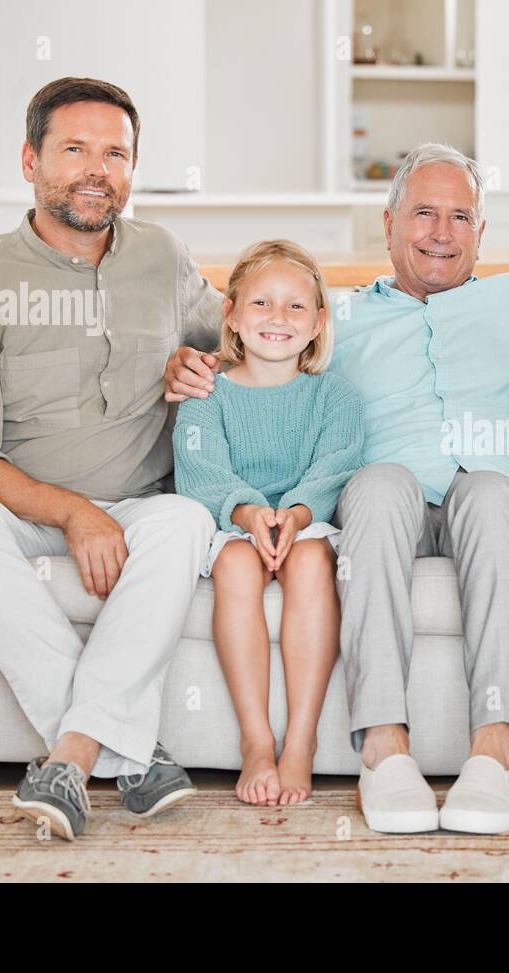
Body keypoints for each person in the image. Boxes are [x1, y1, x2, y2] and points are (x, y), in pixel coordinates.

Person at [165, 143, 509, 835]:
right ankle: (384, 748)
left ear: (483, 232)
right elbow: (255, 330)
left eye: (460, 216)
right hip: (389, 501)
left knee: (487, 489)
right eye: (423, 213)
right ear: (388, 224)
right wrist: (190, 356)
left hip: (499, 499)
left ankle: (495, 748)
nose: (441, 232)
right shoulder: (339, 318)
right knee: (382, 482)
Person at [0, 77, 223, 841]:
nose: (96, 169)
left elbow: (235, 337)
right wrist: (72, 512)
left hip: (139, 508)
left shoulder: (162, 257)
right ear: (29, 159)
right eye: (74, 149)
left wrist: (202, 365)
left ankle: (73, 754)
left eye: (115, 153)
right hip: (22, 512)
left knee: (185, 519)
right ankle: (132, 751)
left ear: (133, 167)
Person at [173, 240, 363, 807]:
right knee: (234, 564)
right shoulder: (208, 393)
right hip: (235, 519)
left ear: (318, 323)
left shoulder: (336, 395)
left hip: (308, 518)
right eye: (261, 303)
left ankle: (299, 742)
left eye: (295, 307)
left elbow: (338, 465)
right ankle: (256, 740)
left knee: (309, 561)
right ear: (230, 313)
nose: (277, 318)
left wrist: (296, 515)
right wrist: (250, 512)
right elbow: (199, 467)